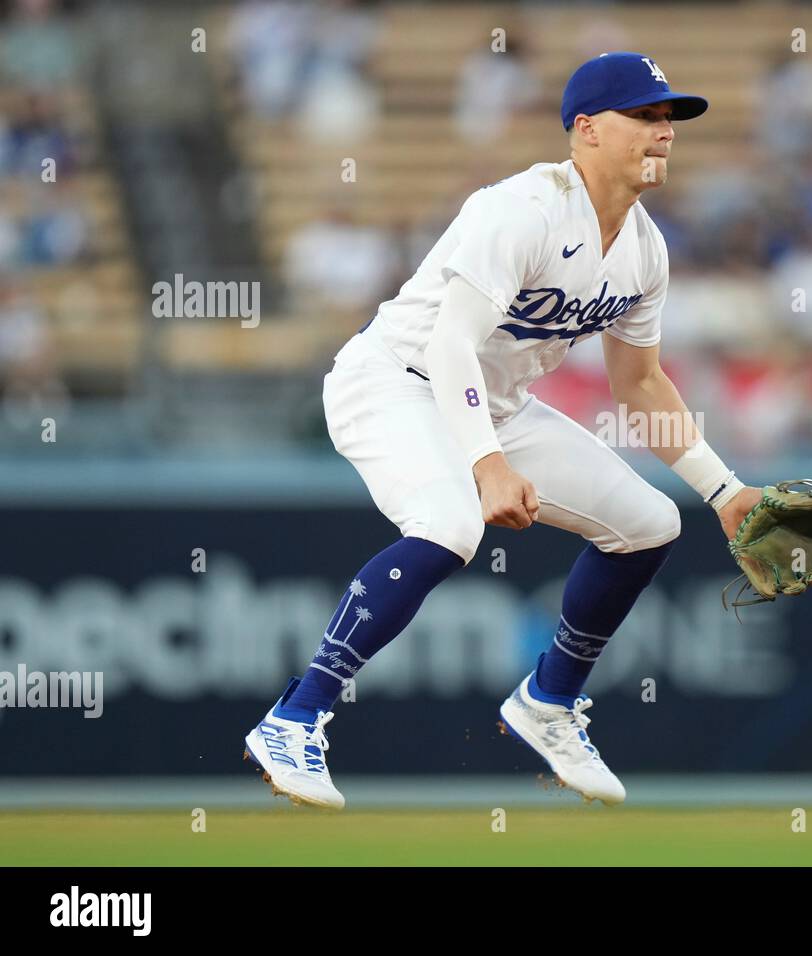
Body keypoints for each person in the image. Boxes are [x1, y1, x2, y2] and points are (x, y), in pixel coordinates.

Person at [243, 52, 762, 808]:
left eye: (668, 119)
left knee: (650, 523)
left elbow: (639, 382)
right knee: (451, 524)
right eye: (644, 116)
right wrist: (486, 464)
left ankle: (548, 702)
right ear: (585, 129)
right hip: (396, 380)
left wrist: (724, 491)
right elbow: (451, 343)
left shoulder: (646, 251)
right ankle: (294, 716)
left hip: (494, 404)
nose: (663, 132)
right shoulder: (522, 209)